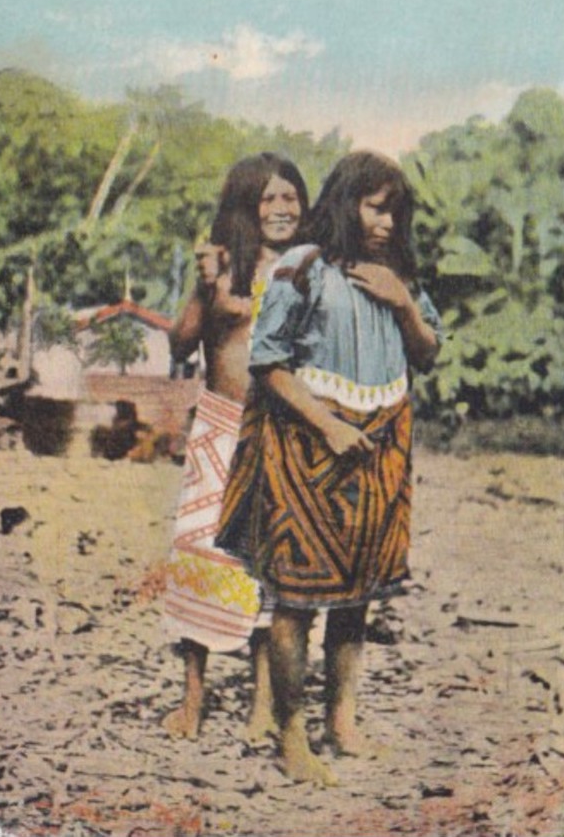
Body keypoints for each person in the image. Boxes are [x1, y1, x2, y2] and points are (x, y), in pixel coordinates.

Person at [216, 150, 442, 785]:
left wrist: (404, 305)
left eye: (396, 210)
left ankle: (342, 724)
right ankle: (291, 735)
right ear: (346, 203)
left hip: (382, 449)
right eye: (376, 207)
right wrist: (331, 424)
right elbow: (269, 363)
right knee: (295, 600)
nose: (388, 222)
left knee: (358, 596)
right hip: (310, 445)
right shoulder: (303, 266)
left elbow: (425, 354)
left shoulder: (401, 275)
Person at [163, 152, 310, 742]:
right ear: (246, 206)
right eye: (268, 199)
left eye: (290, 197)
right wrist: (204, 292)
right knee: (203, 559)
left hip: (280, 433)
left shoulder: (308, 267)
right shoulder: (225, 265)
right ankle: (192, 699)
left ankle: (261, 705)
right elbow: (179, 344)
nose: (280, 209)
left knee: (267, 570)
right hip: (222, 427)